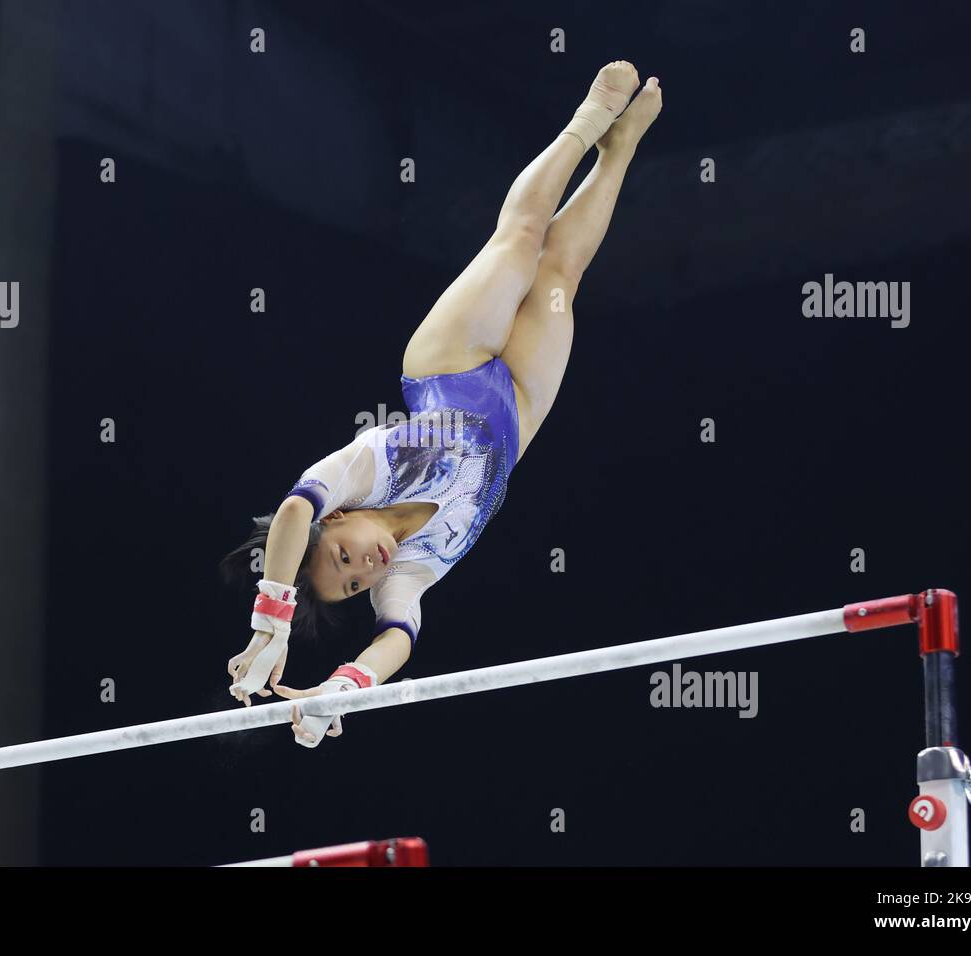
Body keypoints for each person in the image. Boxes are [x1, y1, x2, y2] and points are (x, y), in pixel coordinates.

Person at [220, 61, 662, 746]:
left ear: (339, 519)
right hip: (516, 413)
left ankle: (586, 123)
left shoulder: (363, 472)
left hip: (448, 366)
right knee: (561, 275)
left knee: (519, 240)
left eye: (340, 557)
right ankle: (621, 147)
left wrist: (270, 620)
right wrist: (347, 687)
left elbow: (291, 509)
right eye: (350, 585)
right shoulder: (412, 568)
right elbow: (399, 635)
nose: (362, 570)